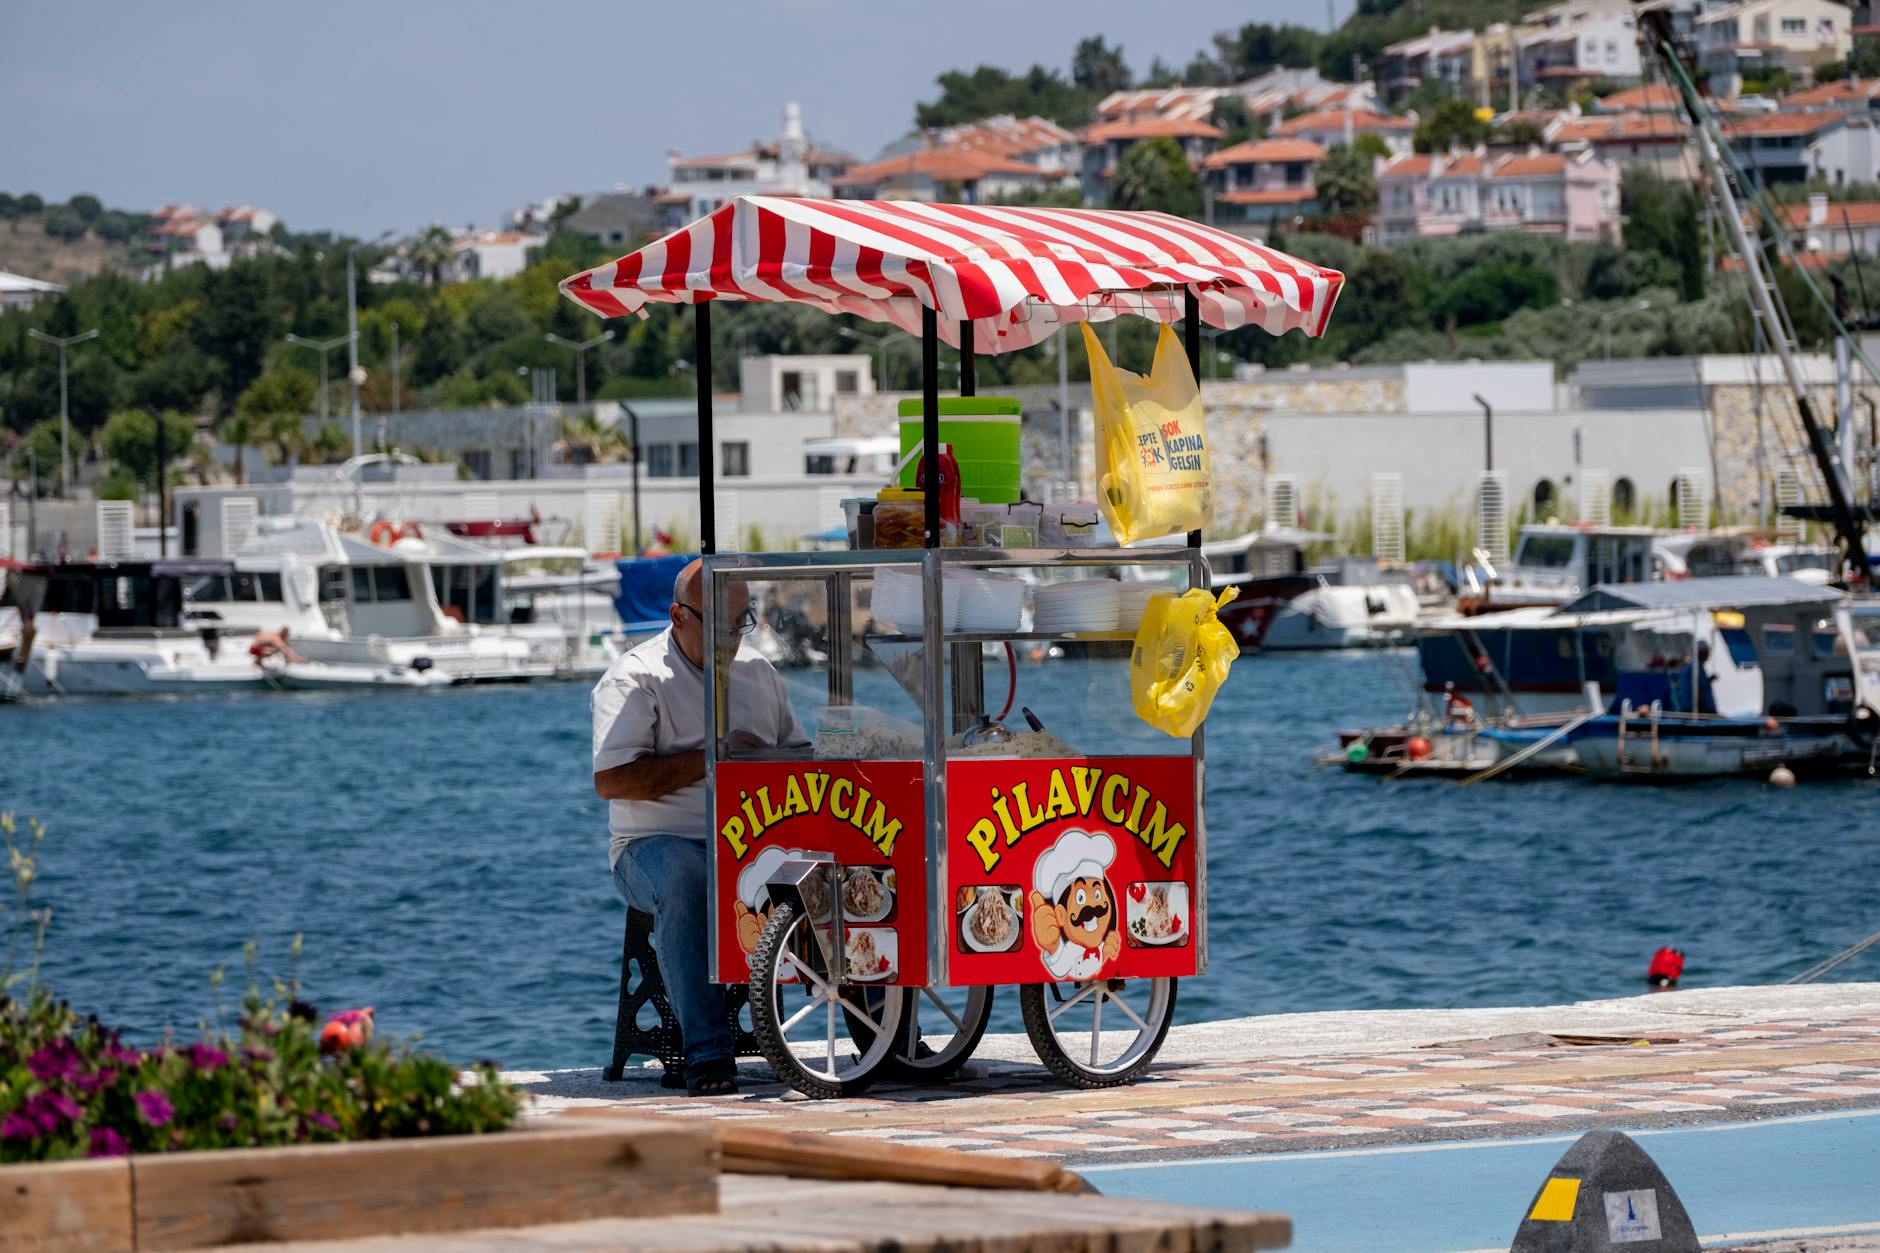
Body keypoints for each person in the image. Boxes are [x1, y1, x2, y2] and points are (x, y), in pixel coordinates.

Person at [590, 559, 805, 1095]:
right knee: (688, 879)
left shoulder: (760, 673)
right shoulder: (636, 676)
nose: (732, 637)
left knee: (849, 870)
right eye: (720, 624)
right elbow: (613, 780)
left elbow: (801, 757)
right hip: (653, 844)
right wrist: (712, 759)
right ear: (678, 616)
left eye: (742, 622)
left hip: (754, 838)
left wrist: (776, 762)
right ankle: (706, 1054)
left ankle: (889, 1038)